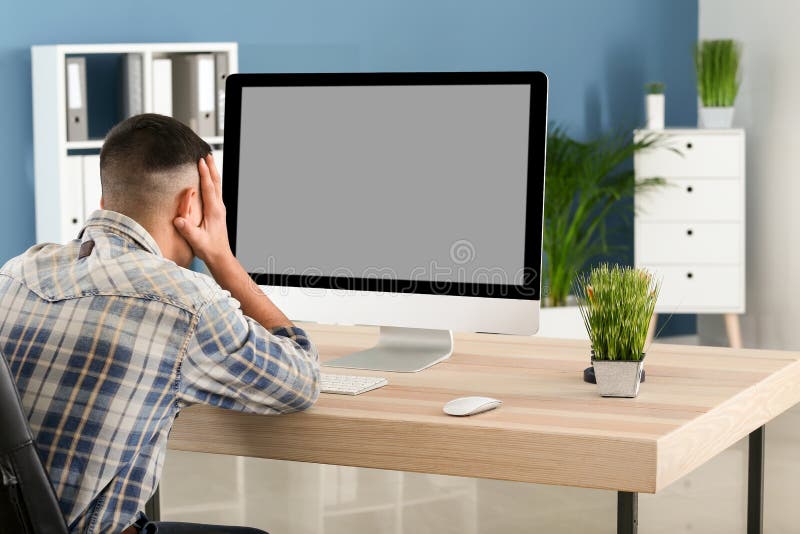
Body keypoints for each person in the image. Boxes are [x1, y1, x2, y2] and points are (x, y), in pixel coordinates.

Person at [0, 114, 320, 533]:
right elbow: (302, 381)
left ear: (105, 201)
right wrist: (223, 261)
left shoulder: (16, 272)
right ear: (191, 206)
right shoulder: (187, 303)